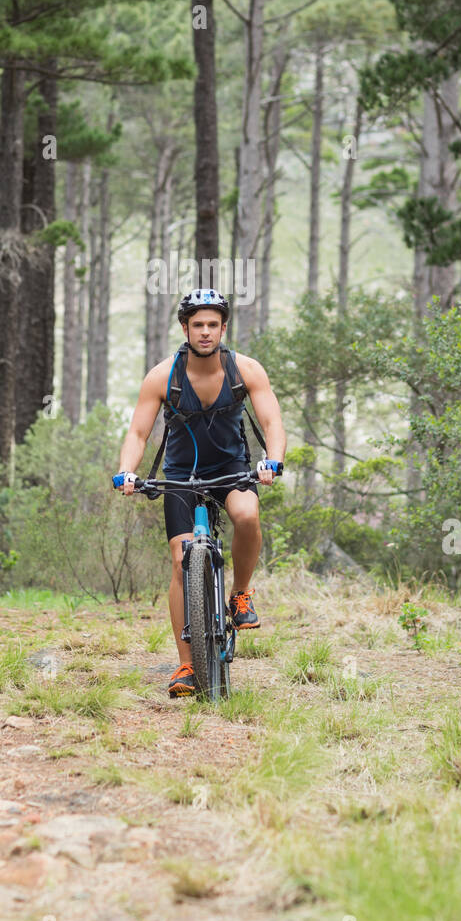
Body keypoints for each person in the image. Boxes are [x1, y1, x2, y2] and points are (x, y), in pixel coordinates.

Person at [114, 287, 286, 697]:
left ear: (223, 328)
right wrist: (126, 472)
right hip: (179, 474)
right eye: (198, 325)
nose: (205, 332)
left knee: (246, 515)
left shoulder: (246, 370)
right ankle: (187, 665)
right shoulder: (162, 376)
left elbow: (273, 421)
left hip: (231, 469)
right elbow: (138, 432)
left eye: (213, 325)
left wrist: (272, 460)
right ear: (185, 328)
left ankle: (240, 594)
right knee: (180, 560)